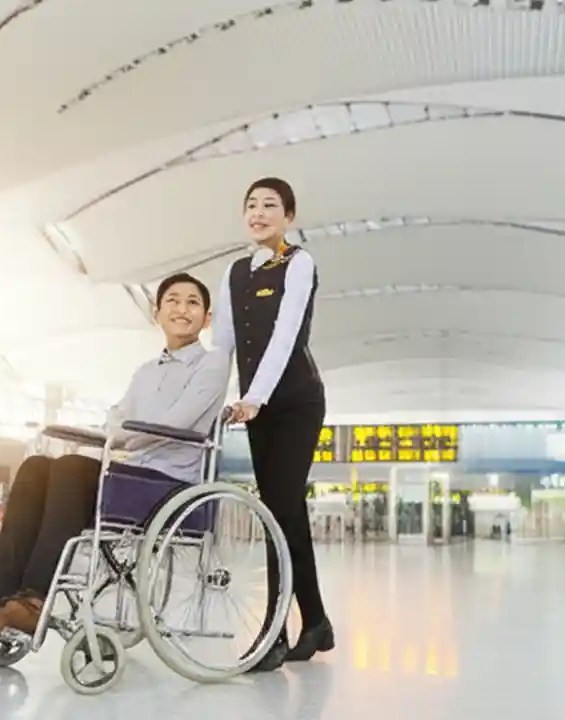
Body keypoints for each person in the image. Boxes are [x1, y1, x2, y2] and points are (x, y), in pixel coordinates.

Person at [0, 273, 230, 635]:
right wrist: (113, 434)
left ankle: (33, 602)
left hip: (171, 481)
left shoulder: (213, 363)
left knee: (71, 468)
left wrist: (122, 440)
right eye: (172, 301)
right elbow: (116, 415)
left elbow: (179, 419)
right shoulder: (145, 372)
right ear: (156, 312)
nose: (182, 309)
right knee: (36, 466)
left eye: (193, 302)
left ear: (207, 318)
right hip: (131, 472)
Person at [213, 177, 333, 672]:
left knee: (279, 510)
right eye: (251, 205)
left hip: (297, 402)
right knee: (283, 513)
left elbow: (286, 334)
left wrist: (256, 396)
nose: (259, 213)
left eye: (270, 205)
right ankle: (316, 622)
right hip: (256, 406)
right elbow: (222, 346)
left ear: (289, 216)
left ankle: (274, 632)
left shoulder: (298, 262)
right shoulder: (235, 271)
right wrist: (211, 403)